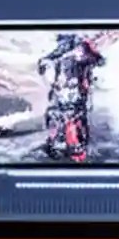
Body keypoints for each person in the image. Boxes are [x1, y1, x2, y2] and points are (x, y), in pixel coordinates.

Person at [38, 32, 106, 160]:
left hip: (76, 93)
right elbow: (44, 62)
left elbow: (99, 60)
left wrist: (86, 56)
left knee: (74, 118)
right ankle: (58, 146)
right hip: (63, 92)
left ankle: (76, 149)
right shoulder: (61, 53)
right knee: (59, 117)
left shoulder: (82, 50)